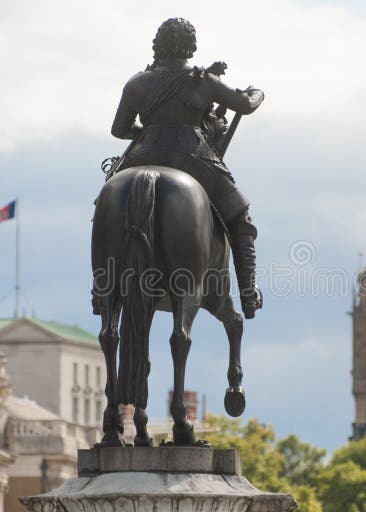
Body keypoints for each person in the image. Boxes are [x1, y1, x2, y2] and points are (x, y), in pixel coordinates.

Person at [110, 17, 264, 319]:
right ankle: (248, 295)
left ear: (158, 44)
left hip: (142, 156)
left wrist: (145, 132)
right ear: (190, 47)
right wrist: (258, 92)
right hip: (194, 159)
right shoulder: (203, 81)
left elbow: (119, 129)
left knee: (105, 205)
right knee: (239, 216)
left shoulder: (137, 82)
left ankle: (100, 291)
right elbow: (245, 105)